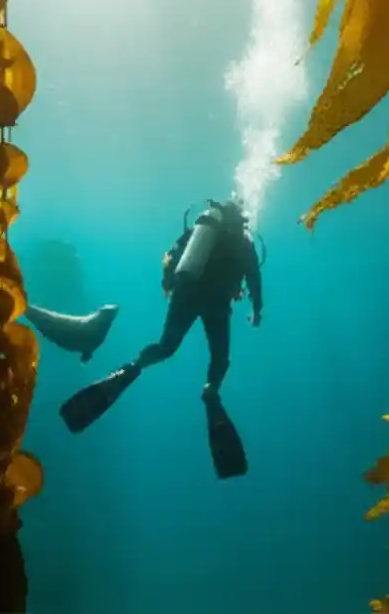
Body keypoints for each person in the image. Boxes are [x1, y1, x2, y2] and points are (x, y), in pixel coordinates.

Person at [59, 197, 264, 478]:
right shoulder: (243, 240)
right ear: (243, 217)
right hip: (216, 300)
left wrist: (168, 283)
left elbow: (173, 256)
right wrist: (257, 309)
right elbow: (253, 276)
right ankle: (211, 391)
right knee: (219, 355)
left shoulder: (201, 228)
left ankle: (132, 368)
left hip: (187, 290)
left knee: (167, 346)